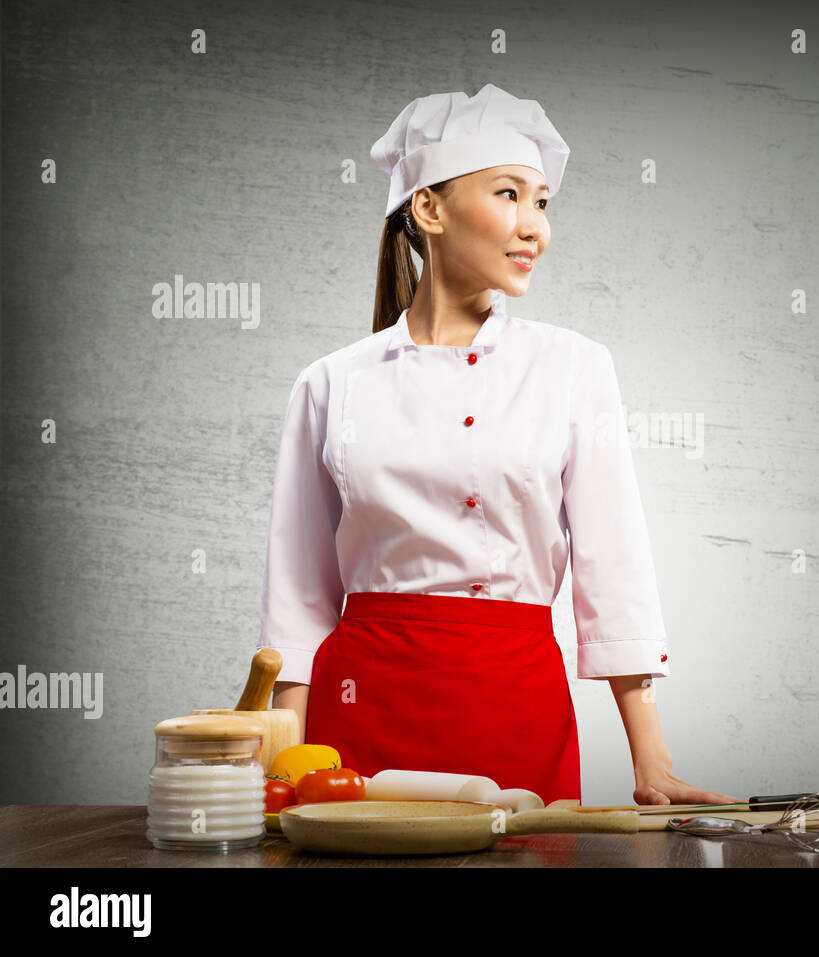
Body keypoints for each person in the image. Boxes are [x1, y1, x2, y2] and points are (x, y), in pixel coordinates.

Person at [256, 83, 738, 807]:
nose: (534, 227)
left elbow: (615, 570)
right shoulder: (331, 384)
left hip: (517, 711)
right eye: (510, 194)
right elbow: (297, 606)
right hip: (359, 714)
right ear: (429, 208)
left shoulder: (574, 367)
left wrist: (652, 760)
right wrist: (287, 772)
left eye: (542, 203)